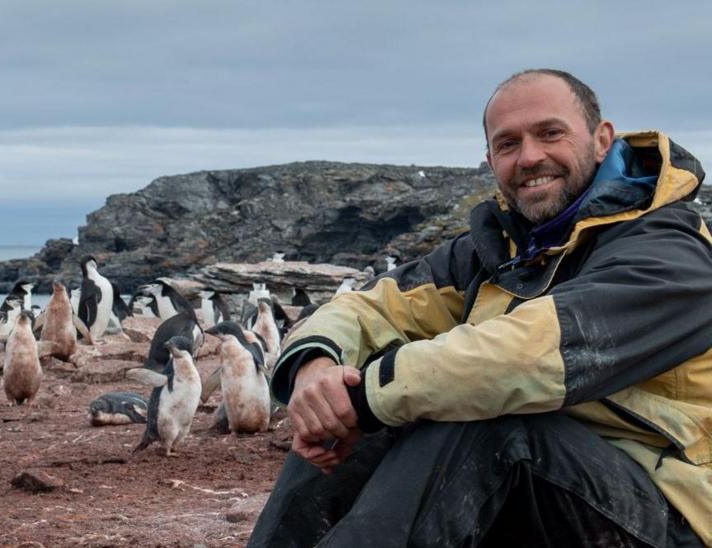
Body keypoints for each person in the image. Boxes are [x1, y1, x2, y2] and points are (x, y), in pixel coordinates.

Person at [249, 69, 710, 547]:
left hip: (670, 510)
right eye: (508, 144)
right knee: (352, 420)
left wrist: (361, 400)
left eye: (550, 133)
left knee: (483, 424)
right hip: (552, 491)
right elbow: (372, 305)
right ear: (490, 160)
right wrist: (316, 369)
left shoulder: (668, 252)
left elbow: (528, 357)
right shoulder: (497, 248)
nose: (530, 157)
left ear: (601, 139)